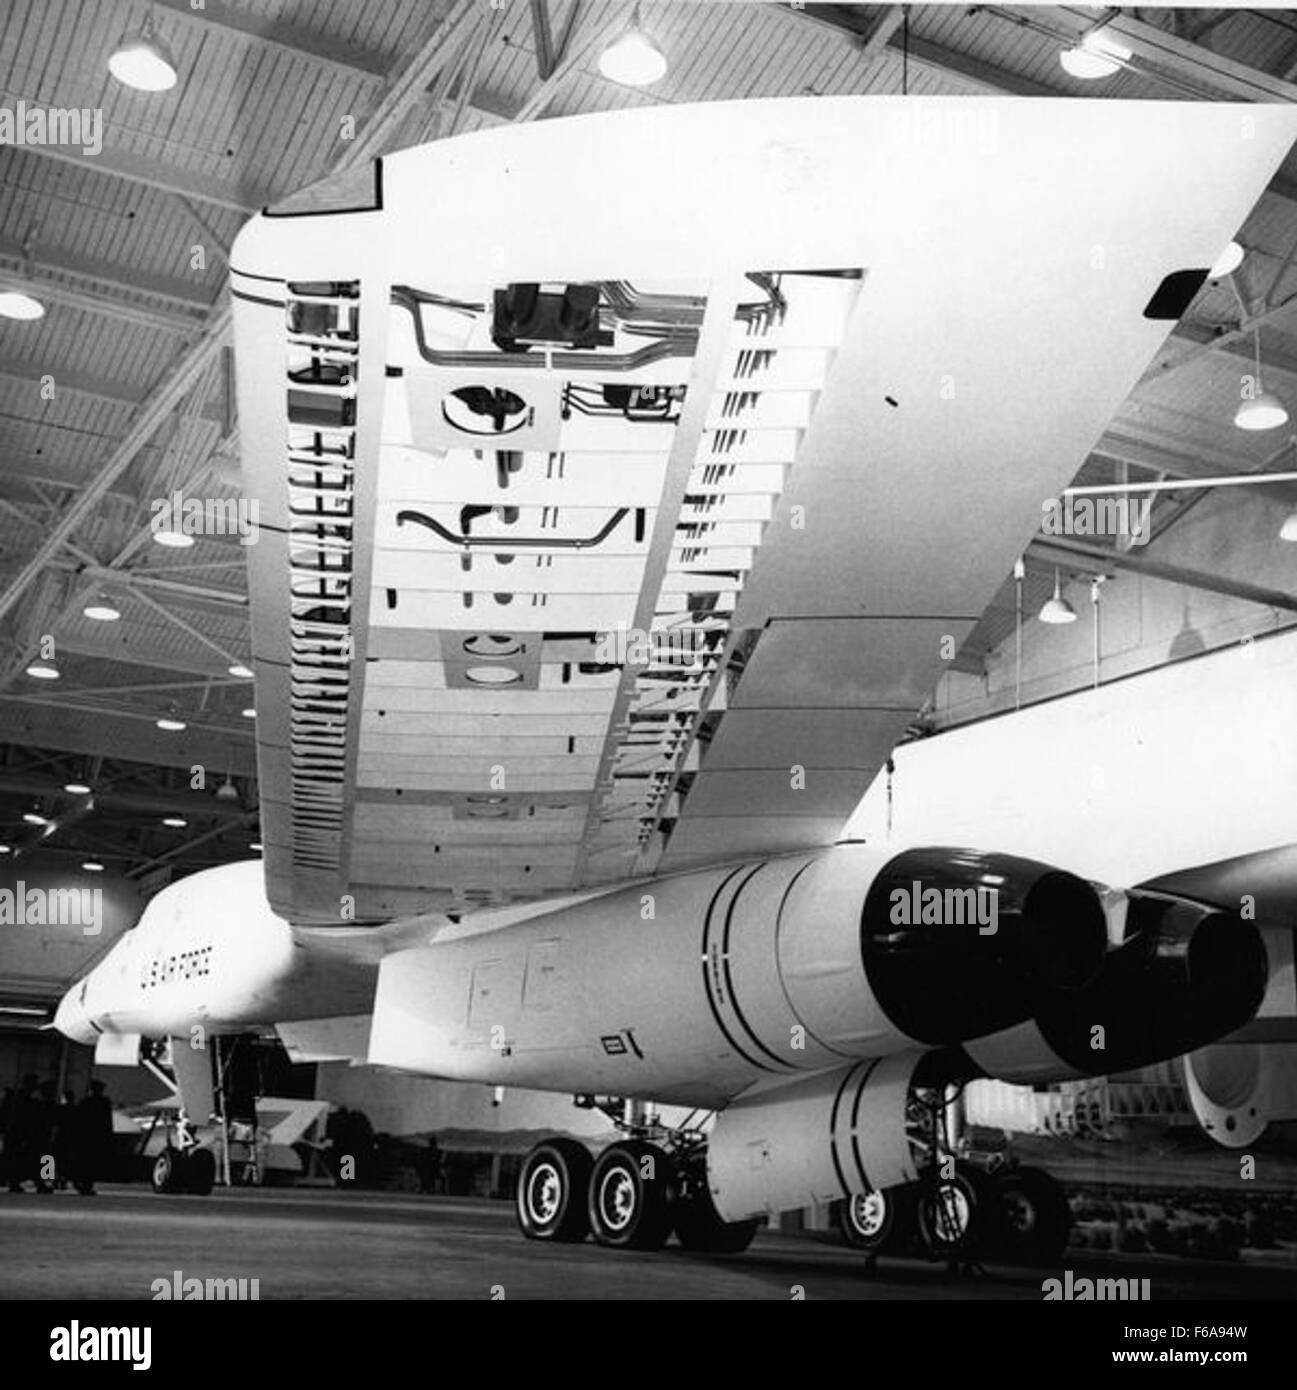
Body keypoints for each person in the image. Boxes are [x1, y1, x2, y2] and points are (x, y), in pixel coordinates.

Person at [71, 1080, 114, 1196]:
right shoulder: (104, 1102)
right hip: (96, 1136)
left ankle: (82, 1183)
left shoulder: (85, 1102)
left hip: (86, 1137)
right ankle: (86, 1185)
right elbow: (107, 1121)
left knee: (85, 1162)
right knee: (91, 1163)